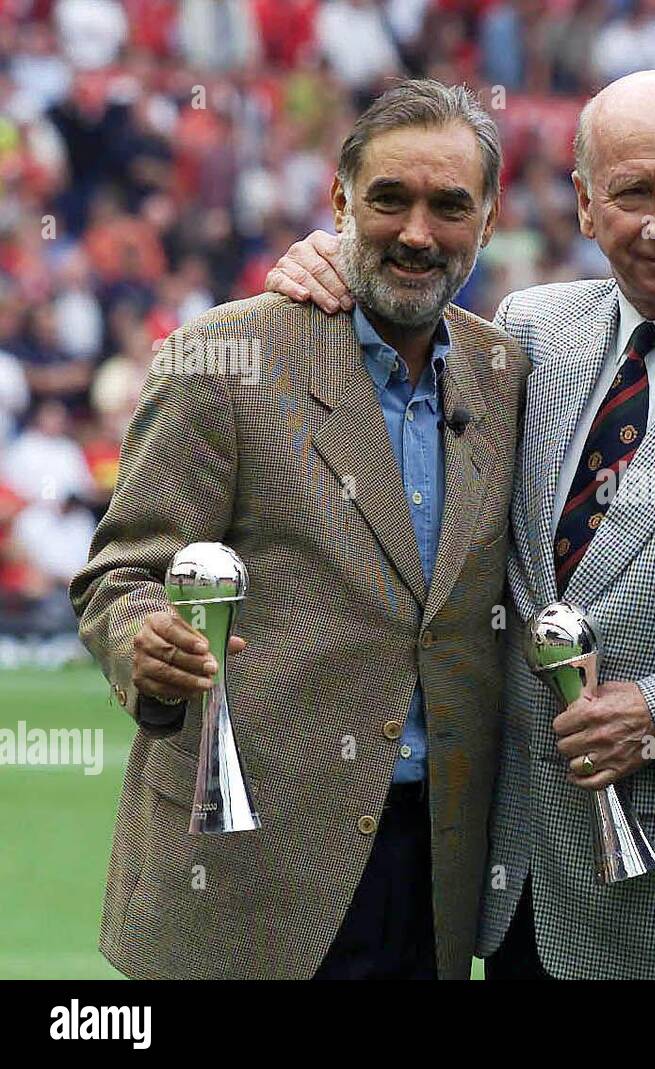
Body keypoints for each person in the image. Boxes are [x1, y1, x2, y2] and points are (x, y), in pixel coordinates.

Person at [266, 70, 655, 979]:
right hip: (523, 894)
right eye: (631, 191)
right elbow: (401, 294)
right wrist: (324, 258)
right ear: (584, 203)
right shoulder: (530, 331)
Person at [70, 80, 528, 980]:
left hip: (433, 875)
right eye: (389, 199)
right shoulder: (221, 359)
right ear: (340, 201)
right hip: (245, 870)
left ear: (489, 216)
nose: (417, 232)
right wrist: (144, 642)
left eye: (449, 205)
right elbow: (119, 574)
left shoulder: (508, 371)